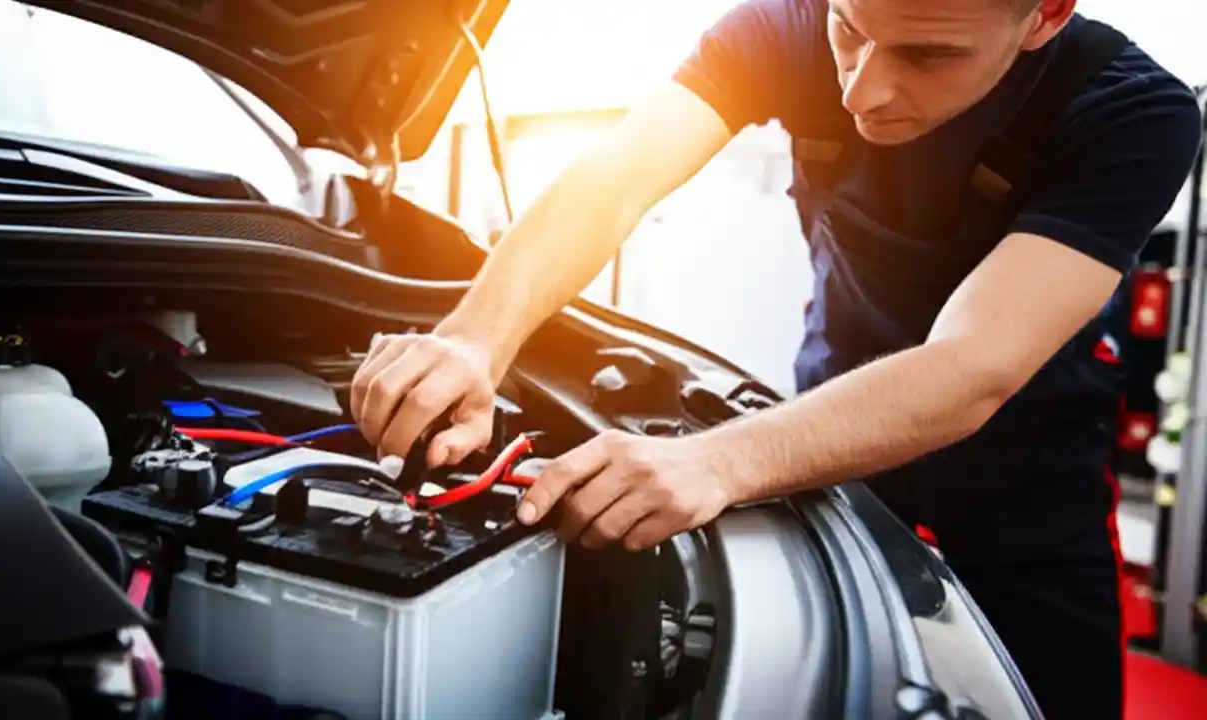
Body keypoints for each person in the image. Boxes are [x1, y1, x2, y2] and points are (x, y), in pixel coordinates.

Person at [349, 0, 1202, 716]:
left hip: (1029, 492)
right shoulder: (785, 27)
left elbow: (974, 365)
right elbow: (612, 181)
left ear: (1045, 14)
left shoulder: (1133, 112)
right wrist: (476, 334)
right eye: (849, 27)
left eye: (928, 54)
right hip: (829, 445)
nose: (862, 87)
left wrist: (720, 460)